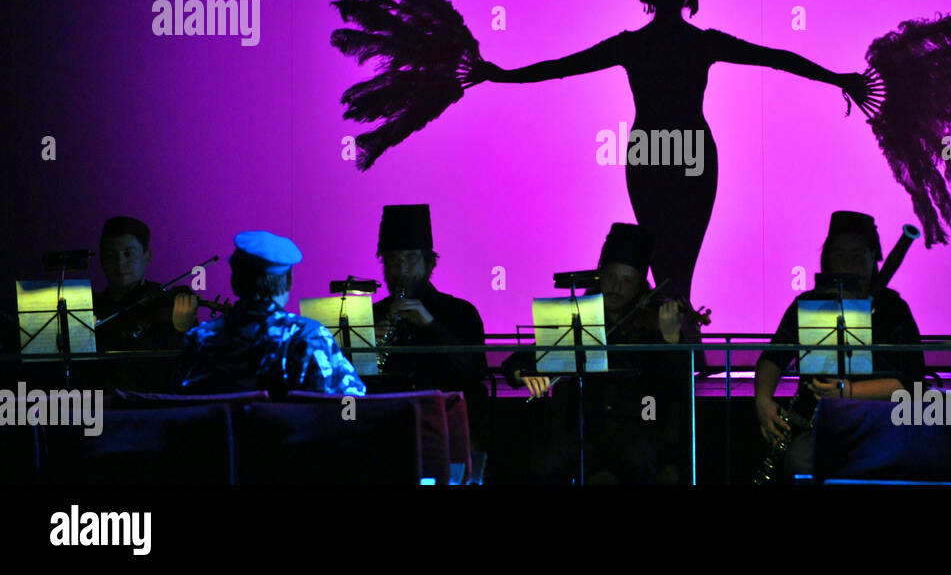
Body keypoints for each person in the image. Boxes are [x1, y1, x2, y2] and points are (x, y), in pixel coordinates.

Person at [469, 0, 861, 307]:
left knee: (663, 253)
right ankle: (684, 334)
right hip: (689, 147)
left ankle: (680, 335)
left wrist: (502, 75)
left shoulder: (634, 44)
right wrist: (836, 78)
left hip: (651, 149)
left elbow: (558, 68)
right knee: (678, 255)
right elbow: (776, 58)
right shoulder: (700, 43)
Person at [503, 222, 703, 484]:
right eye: (610, 277)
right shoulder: (581, 318)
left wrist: (671, 342)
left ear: (640, 286)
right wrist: (521, 372)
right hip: (589, 433)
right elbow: (520, 361)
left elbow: (677, 386)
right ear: (600, 275)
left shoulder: (654, 323)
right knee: (546, 464)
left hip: (641, 430)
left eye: (627, 280)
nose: (616, 288)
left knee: (639, 463)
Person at [754, 211, 926, 479]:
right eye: (840, 255)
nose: (849, 263)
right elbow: (772, 357)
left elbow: (912, 385)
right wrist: (763, 400)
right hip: (823, 425)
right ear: (828, 259)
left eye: (858, 254)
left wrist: (847, 390)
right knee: (800, 460)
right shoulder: (810, 303)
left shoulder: (894, 309)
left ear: (873, 258)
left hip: (882, 422)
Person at [174, 230, 365, 396]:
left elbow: (179, 404)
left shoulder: (200, 338)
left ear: (235, 282)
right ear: (289, 281)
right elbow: (350, 403)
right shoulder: (309, 336)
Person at [371, 204, 490, 439]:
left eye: (411, 258)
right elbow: (352, 387)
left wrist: (431, 325)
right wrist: (366, 347)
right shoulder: (373, 315)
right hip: (388, 428)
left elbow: (475, 373)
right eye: (393, 260)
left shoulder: (461, 312)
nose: (402, 268)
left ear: (430, 263)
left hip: (448, 428)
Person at [93, 216, 198, 353]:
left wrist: (183, 330)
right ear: (101, 261)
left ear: (147, 256)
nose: (120, 263)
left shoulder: (166, 301)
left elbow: (191, 361)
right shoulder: (91, 307)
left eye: (128, 254)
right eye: (110, 255)